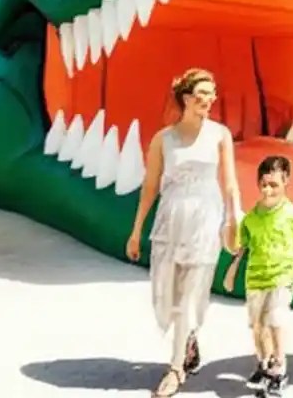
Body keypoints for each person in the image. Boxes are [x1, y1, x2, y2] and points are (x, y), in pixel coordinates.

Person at [126, 68, 240, 398]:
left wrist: (234, 219)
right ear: (187, 99)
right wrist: (136, 232)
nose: (209, 99)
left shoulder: (220, 135)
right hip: (171, 216)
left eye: (212, 92)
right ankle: (187, 339)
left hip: (205, 215)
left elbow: (230, 182)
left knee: (189, 295)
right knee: (168, 296)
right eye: (202, 93)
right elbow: (150, 187)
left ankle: (175, 369)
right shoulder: (163, 139)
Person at [222, 155, 293, 397]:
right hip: (255, 278)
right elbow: (241, 247)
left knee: (276, 320)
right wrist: (231, 273)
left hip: (282, 277)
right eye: (263, 184)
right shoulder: (252, 218)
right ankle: (263, 362)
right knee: (257, 326)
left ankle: (279, 367)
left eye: (273, 184)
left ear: (286, 182)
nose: (267, 190)